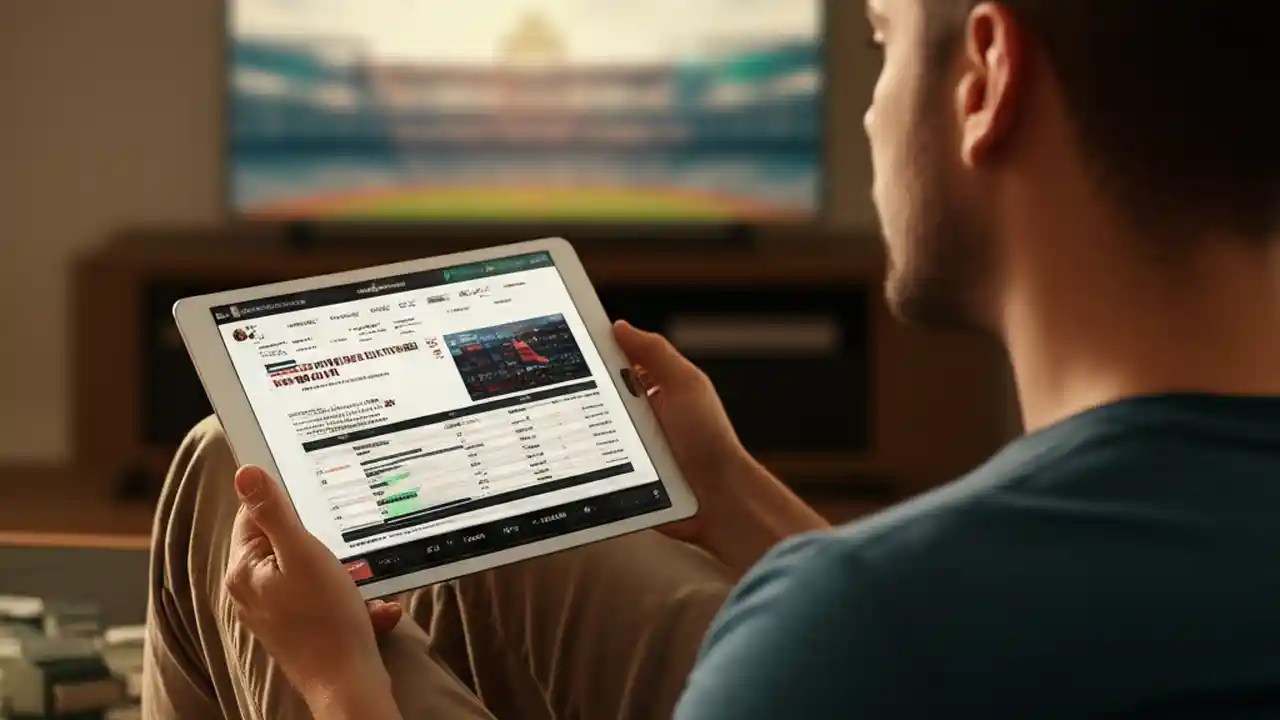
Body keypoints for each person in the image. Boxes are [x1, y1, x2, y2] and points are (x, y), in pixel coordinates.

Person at [143, 0, 1280, 717]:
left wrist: (337, 678)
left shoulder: (853, 635)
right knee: (492, 539)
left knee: (243, 486)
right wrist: (727, 490)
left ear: (983, 77)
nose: (872, 114)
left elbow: (901, 634)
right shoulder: (891, 615)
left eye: (880, 42)